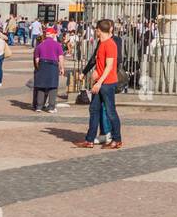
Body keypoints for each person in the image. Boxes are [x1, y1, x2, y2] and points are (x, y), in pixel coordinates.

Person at [75, 19, 123, 147]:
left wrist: (99, 82)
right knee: (94, 109)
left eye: (96, 29)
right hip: (100, 82)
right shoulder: (101, 43)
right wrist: (95, 72)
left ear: (99, 30)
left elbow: (109, 66)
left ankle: (117, 139)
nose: (96, 31)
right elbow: (99, 63)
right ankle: (89, 139)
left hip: (107, 83)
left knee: (110, 111)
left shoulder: (110, 44)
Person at [32, 30, 64, 113]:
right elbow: (60, 58)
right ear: (53, 35)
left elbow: (37, 60)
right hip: (53, 65)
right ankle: (51, 107)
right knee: (53, 86)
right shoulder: (57, 45)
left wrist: (39, 68)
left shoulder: (40, 45)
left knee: (41, 86)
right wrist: (62, 68)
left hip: (42, 64)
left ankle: (39, 106)